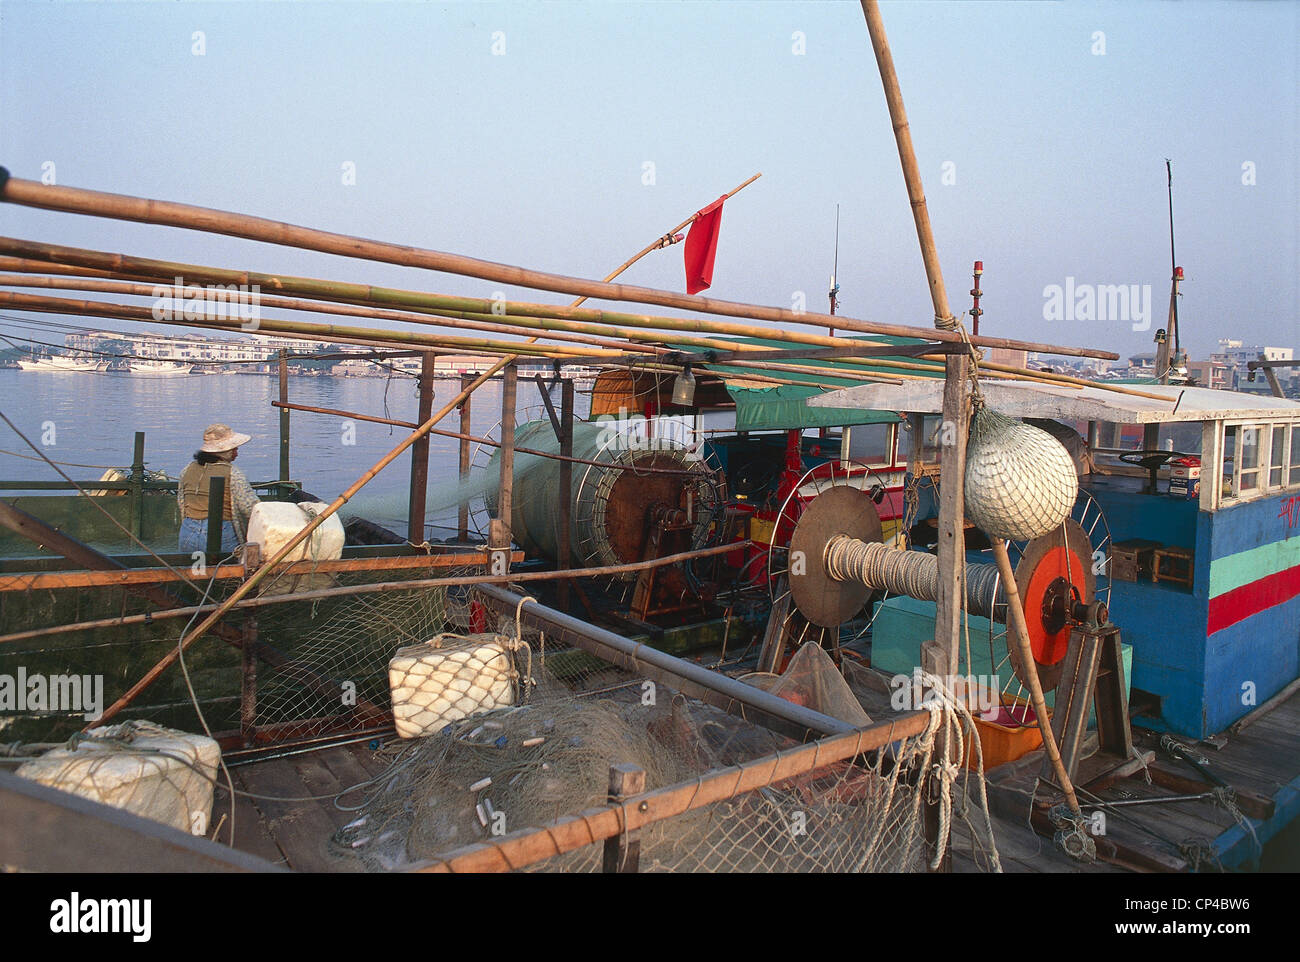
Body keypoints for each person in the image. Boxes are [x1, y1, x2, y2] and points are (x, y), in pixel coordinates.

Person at [177, 423, 261, 555]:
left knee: (193, 571)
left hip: (188, 532)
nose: (236, 453)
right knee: (227, 572)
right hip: (221, 533)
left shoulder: (187, 470)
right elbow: (249, 508)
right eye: (234, 449)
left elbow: (181, 503)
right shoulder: (234, 473)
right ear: (225, 451)